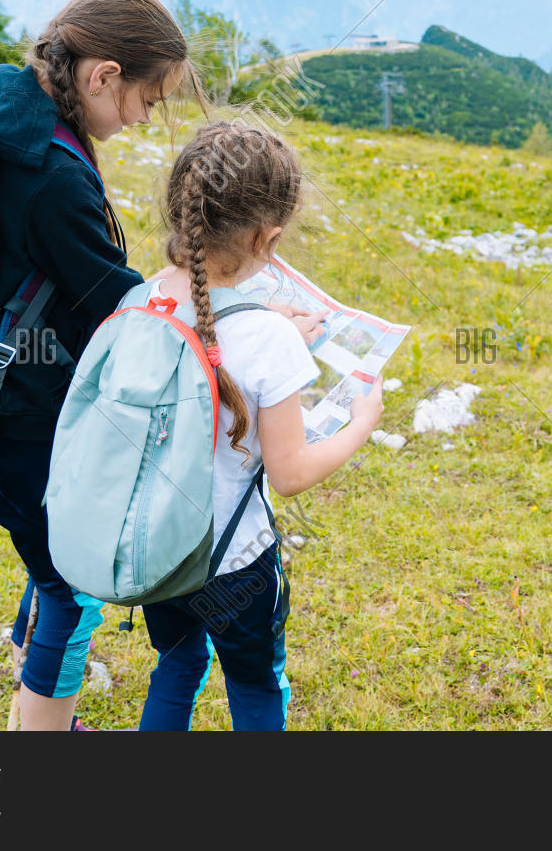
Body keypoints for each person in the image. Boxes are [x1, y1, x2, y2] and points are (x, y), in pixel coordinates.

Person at [0, 0, 195, 730]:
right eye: (149, 99)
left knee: (49, 552)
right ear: (103, 76)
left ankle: (31, 675)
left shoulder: (13, 109)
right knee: (71, 582)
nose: (148, 118)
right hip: (13, 411)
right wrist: (215, 307)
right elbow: (116, 305)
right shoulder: (51, 173)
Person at [134, 121, 383, 731]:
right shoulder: (267, 338)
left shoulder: (137, 300)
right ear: (267, 238)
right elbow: (290, 473)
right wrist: (360, 425)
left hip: (158, 548)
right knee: (254, 681)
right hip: (234, 561)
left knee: (177, 661)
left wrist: (260, 319)